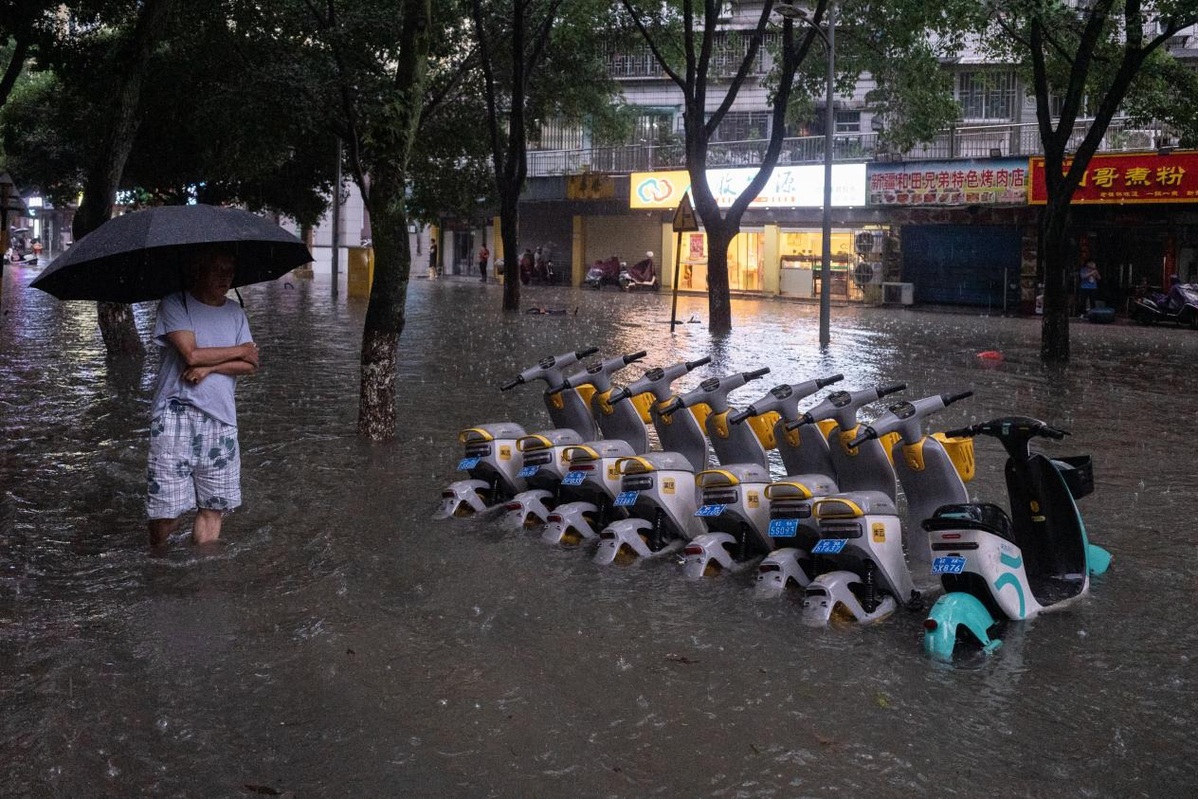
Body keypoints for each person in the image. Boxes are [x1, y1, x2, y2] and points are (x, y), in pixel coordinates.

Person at [146, 246, 259, 550]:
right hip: (175, 415)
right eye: (218, 270)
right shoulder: (175, 303)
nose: (226, 277)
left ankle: (202, 571)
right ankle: (157, 559)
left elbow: (251, 365)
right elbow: (191, 354)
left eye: (230, 271)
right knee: (167, 513)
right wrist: (240, 350)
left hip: (222, 418)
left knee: (213, 506)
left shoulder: (235, 312)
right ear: (199, 270)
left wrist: (210, 369)